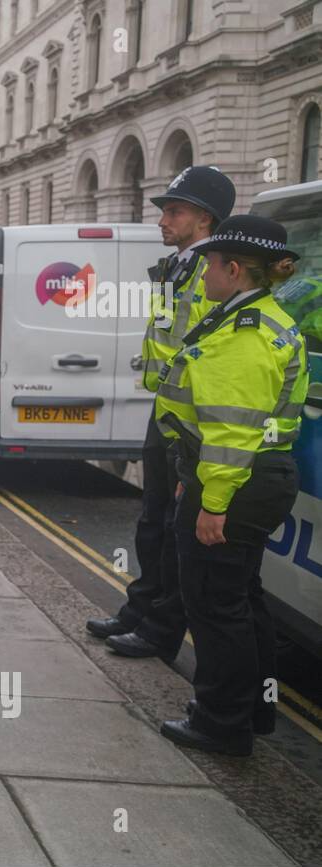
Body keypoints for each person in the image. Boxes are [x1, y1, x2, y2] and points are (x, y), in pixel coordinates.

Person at [155, 215, 307, 756]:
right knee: (240, 596)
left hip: (236, 481)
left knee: (215, 604)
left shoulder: (245, 334)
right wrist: (189, 481)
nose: (202, 275)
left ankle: (221, 721)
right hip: (249, 477)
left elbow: (231, 429)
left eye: (209, 265)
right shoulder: (255, 316)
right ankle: (250, 711)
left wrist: (212, 502)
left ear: (234, 269)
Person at [87, 166, 235, 661]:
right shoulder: (180, 266)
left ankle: (161, 629)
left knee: (174, 527)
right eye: (165, 211)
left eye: (175, 211)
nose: (163, 220)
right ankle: (140, 609)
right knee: (152, 520)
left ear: (205, 218)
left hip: (190, 421)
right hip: (166, 411)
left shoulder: (214, 272)